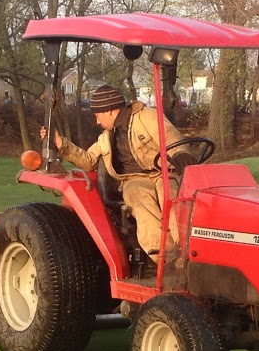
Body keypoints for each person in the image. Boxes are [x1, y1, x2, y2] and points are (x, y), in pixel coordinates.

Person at [43, 84, 184, 261]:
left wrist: (180, 154)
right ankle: (165, 258)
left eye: (97, 115)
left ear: (109, 110)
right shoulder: (105, 139)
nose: (97, 121)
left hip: (164, 173)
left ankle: (185, 253)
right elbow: (87, 161)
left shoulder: (147, 117)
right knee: (139, 199)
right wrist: (59, 142)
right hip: (134, 180)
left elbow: (170, 136)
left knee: (172, 198)